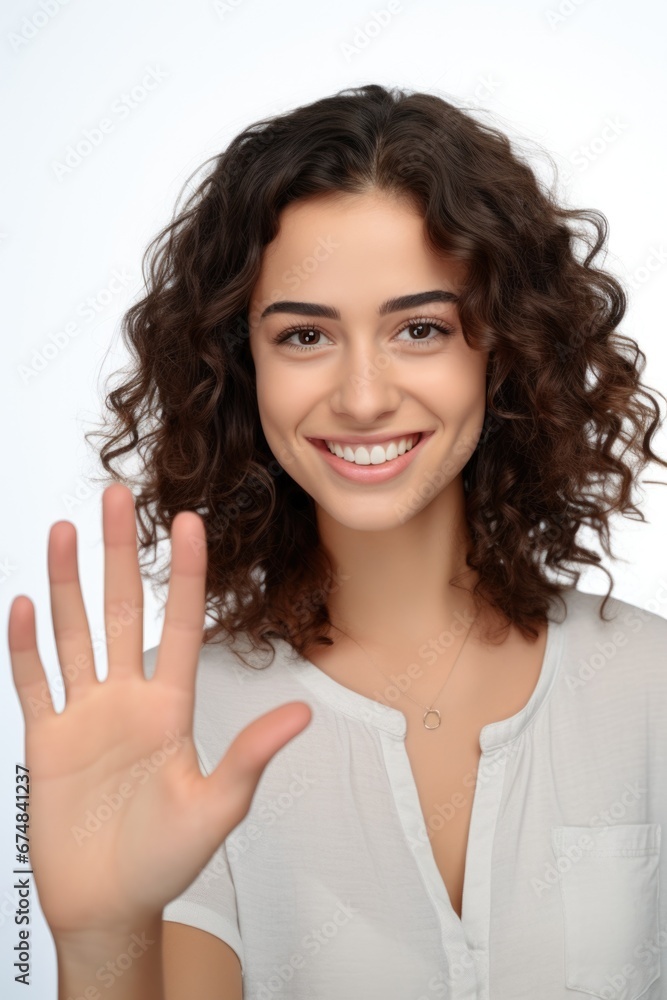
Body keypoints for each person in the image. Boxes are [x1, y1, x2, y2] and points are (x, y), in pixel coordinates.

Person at [8, 83, 667, 999]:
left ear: (504, 346)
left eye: (421, 328)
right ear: (242, 368)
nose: (362, 396)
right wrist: (97, 943)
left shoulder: (650, 685)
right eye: (306, 334)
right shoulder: (169, 721)